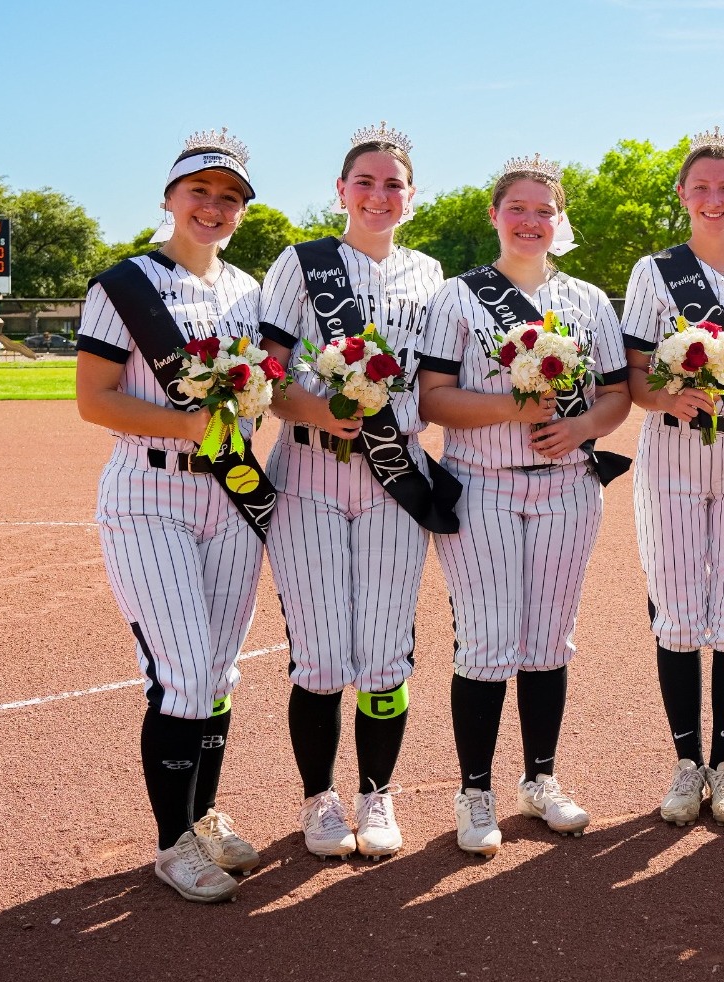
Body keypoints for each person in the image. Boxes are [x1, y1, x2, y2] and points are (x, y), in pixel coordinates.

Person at [418, 153, 631, 856]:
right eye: (518, 208)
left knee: (547, 644)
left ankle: (539, 780)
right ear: (495, 216)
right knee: (485, 644)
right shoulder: (457, 297)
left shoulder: (587, 301)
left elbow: (615, 397)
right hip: (481, 484)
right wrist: (513, 404)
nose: (531, 221)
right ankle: (475, 790)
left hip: (568, 486)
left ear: (557, 220)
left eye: (545, 210)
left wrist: (577, 426)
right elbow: (432, 399)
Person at [75, 129, 266, 902]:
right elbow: (94, 400)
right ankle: (170, 843)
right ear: (169, 198)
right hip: (150, 491)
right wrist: (188, 425)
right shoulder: (124, 284)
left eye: (229, 198)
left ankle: (204, 813)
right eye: (200, 192)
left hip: (233, 492)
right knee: (184, 673)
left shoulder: (251, 290)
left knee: (217, 675)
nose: (213, 207)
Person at [259, 122, 454, 860]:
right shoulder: (300, 263)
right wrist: (327, 412)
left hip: (394, 478)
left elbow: (439, 382)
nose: (379, 195)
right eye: (365, 182)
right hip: (308, 472)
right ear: (341, 191)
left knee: (382, 653)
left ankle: (376, 794)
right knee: (317, 657)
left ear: (411, 196)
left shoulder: (430, 275)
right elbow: (267, 379)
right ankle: (319, 801)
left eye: (393, 183)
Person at [622, 128, 724, 828]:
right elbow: (631, 375)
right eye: (702, 187)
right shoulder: (652, 272)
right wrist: (668, 396)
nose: (714, 199)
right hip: (672, 460)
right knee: (681, 619)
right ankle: (687, 765)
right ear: (683, 195)